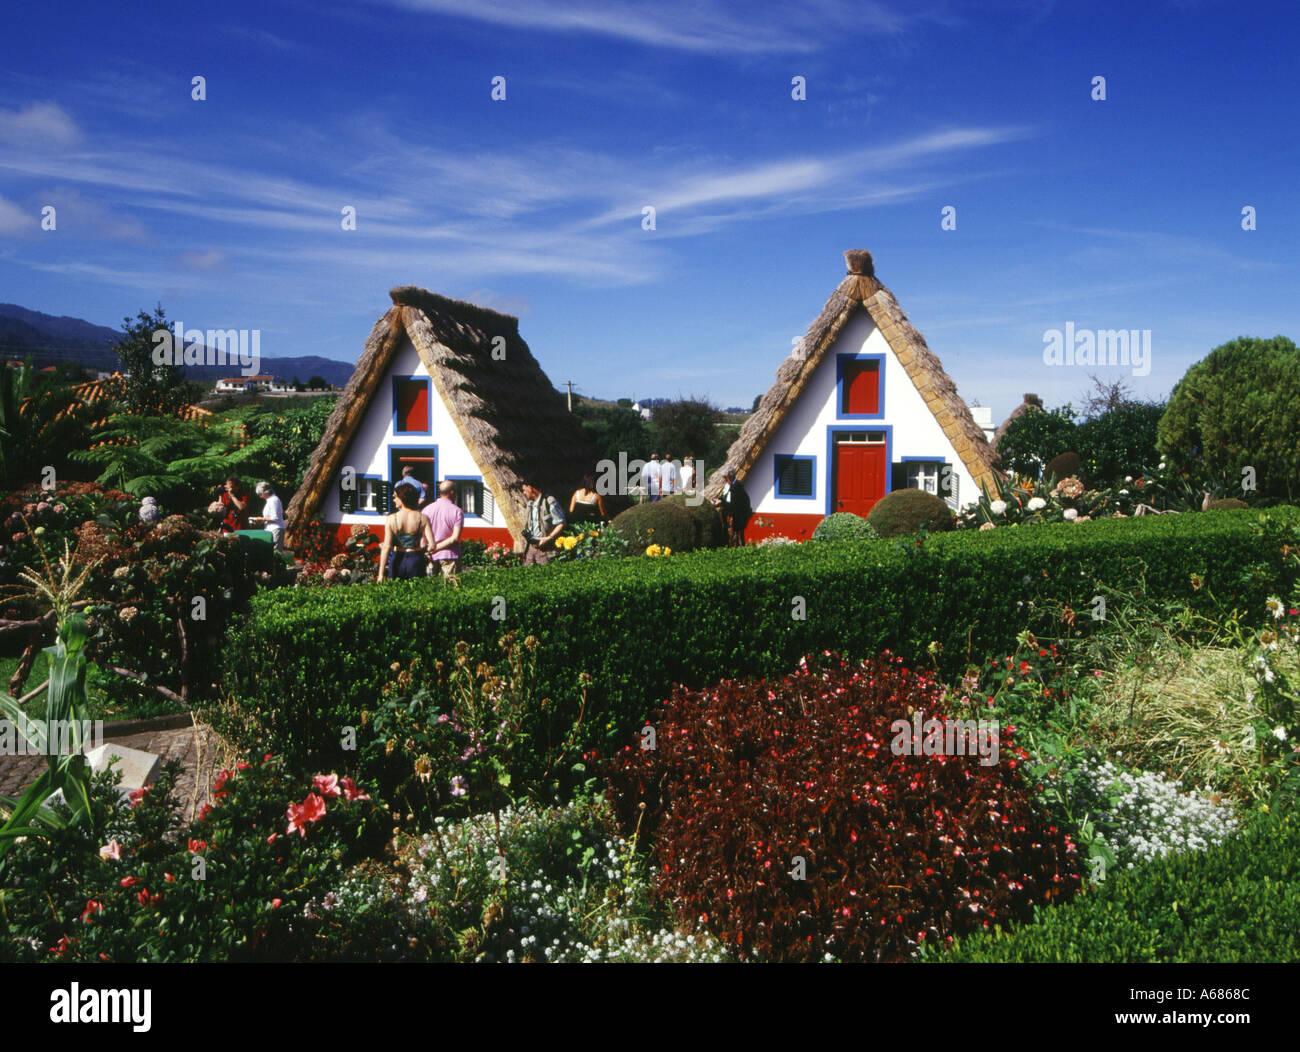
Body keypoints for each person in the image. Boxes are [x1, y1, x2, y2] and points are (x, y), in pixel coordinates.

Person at [377, 482, 434, 581]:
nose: (394, 499)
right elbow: (433, 545)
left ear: (401, 498)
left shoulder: (391, 519)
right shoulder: (423, 518)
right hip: (416, 560)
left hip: (397, 559)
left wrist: (381, 574)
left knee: (396, 593)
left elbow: (386, 547)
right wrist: (422, 550)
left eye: (395, 497)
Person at [423, 479, 464, 577]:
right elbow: (454, 538)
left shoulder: (426, 510)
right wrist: (437, 548)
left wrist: (430, 549)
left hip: (430, 556)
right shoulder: (457, 511)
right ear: (452, 493)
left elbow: (422, 536)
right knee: (451, 589)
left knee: (430, 589)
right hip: (449, 555)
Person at [521, 480, 565, 565]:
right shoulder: (530, 504)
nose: (523, 492)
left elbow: (561, 523)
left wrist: (548, 538)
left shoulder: (549, 501)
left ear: (530, 487)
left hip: (546, 549)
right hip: (530, 548)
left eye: (524, 489)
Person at [712, 470, 752, 547]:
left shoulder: (737, 487)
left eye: (725, 478)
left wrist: (720, 503)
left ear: (729, 477)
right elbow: (725, 498)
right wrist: (718, 499)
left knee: (735, 539)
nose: (724, 480)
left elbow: (733, 504)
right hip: (729, 514)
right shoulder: (729, 486)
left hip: (736, 516)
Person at [248, 481, 285, 550]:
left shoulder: (274, 500)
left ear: (266, 492)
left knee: (275, 552)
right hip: (270, 529)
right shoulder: (270, 500)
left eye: (260, 494)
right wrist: (260, 521)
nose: (260, 496)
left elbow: (275, 517)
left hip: (276, 529)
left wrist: (261, 519)